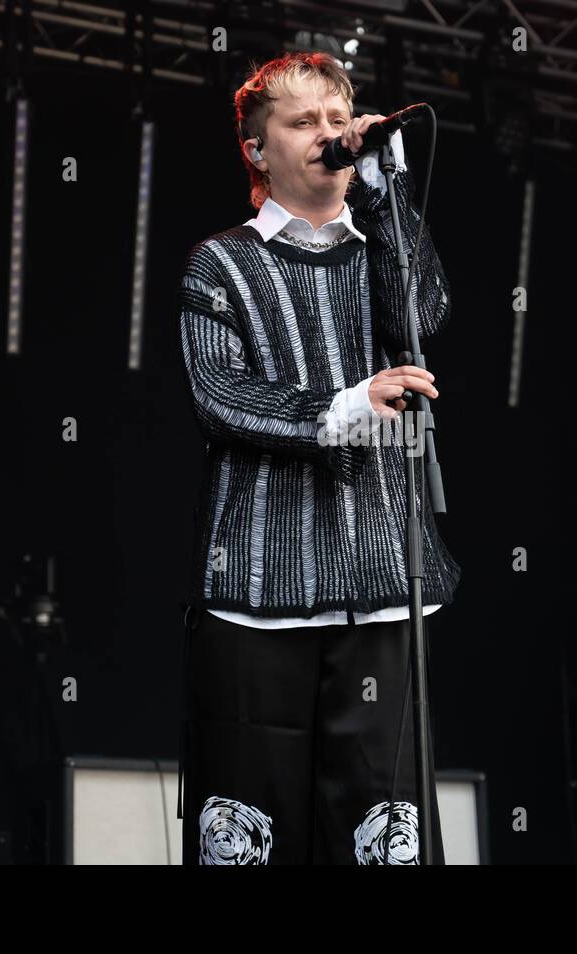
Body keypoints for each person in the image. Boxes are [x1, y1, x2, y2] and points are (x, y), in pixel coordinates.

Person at [173, 51, 462, 864]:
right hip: (257, 597)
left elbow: (427, 309)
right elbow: (218, 395)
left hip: (382, 589)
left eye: (340, 120)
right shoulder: (219, 263)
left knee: (385, 841)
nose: (329, 134)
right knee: (248, 839)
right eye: (303, 122)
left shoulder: (378, 246)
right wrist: (344, 407)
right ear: (258, 150)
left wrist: (385, 184)